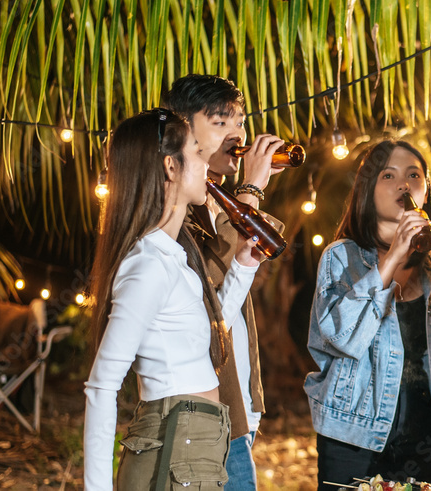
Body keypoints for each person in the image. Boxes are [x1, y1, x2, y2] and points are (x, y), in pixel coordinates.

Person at [83, 109, 264, 489]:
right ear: (170, 166)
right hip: (174, 445)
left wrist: (244, 266)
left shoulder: (175, 256)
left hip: (196, 440)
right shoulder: (148, 264)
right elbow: (102, 385)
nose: (206, 165)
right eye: (197, 153)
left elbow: (210, 332)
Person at [305, 140, 431, 490]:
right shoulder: (341, 258)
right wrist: (392, 257)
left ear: (425, 192)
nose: (403, 184)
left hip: (424, 436)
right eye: (388, 175)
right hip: (355, 439)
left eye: (414, 175)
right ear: (368, 190)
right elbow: (339, 338)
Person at [163, 74, 285, 491]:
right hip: (201, 415)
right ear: (181, 131)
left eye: (241, 122)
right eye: (220, 123)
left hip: (236, 411)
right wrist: (251, 190)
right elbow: (211, 303)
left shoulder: (216, 202)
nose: (238, 135)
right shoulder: (172, 209)